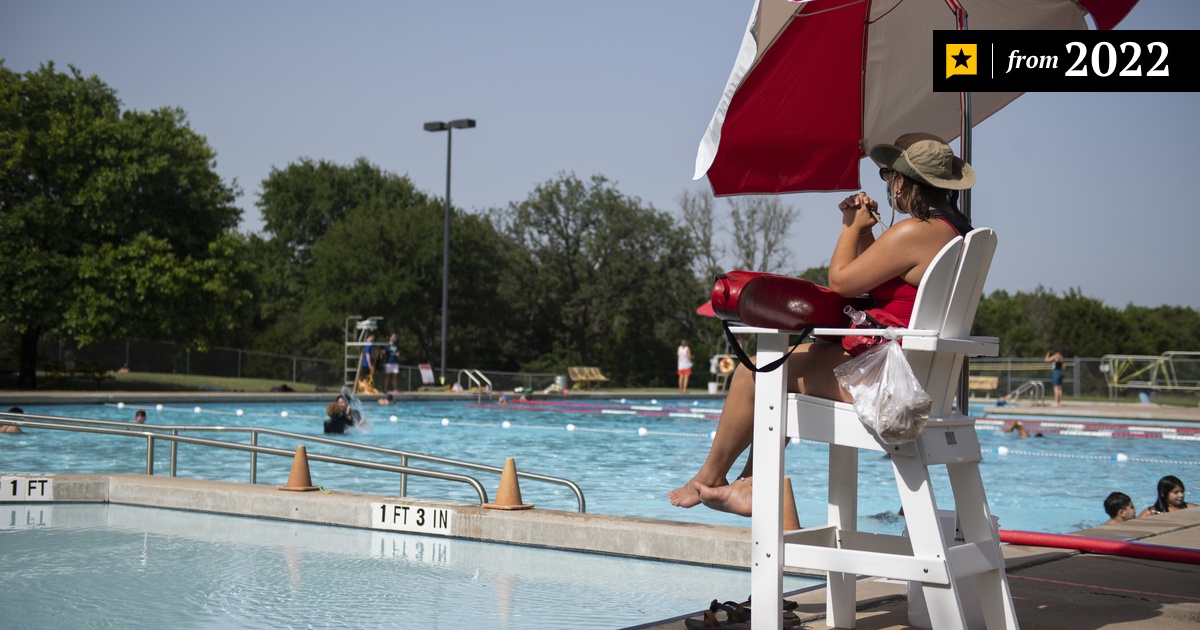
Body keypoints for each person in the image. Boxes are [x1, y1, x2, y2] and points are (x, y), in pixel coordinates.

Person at [667, 133, 974, 517]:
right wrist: (866, 233)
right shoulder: (954, 234)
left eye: (887, 176)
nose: (888, 184)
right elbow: (883, 282)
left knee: (756, 372)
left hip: (889, 387)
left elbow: (841, 283)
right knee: (785, 368)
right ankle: (750, 481)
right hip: (914, 376)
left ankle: (711, 480)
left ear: (903, 182)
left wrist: (848, 226)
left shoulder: (913, 232)